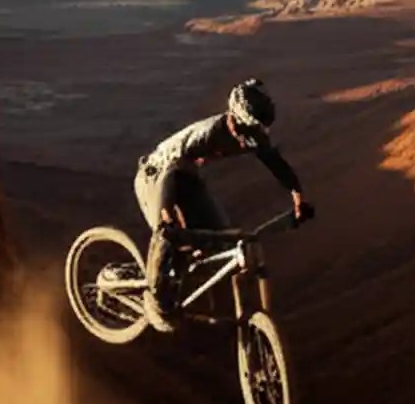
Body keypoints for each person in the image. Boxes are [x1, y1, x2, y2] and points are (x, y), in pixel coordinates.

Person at [133, 78, 312, 332]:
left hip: (187, 179)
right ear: (234, 121)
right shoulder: (209, 134)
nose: (252, 141)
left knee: (223, 239)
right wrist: (167, 212)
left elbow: (274, 162)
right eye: (248, 135)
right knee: (167, 234)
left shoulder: (252, 133)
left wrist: (298, 197)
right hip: (157, 176)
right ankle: (155, 301)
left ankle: (180, 276)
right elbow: (169, 174)